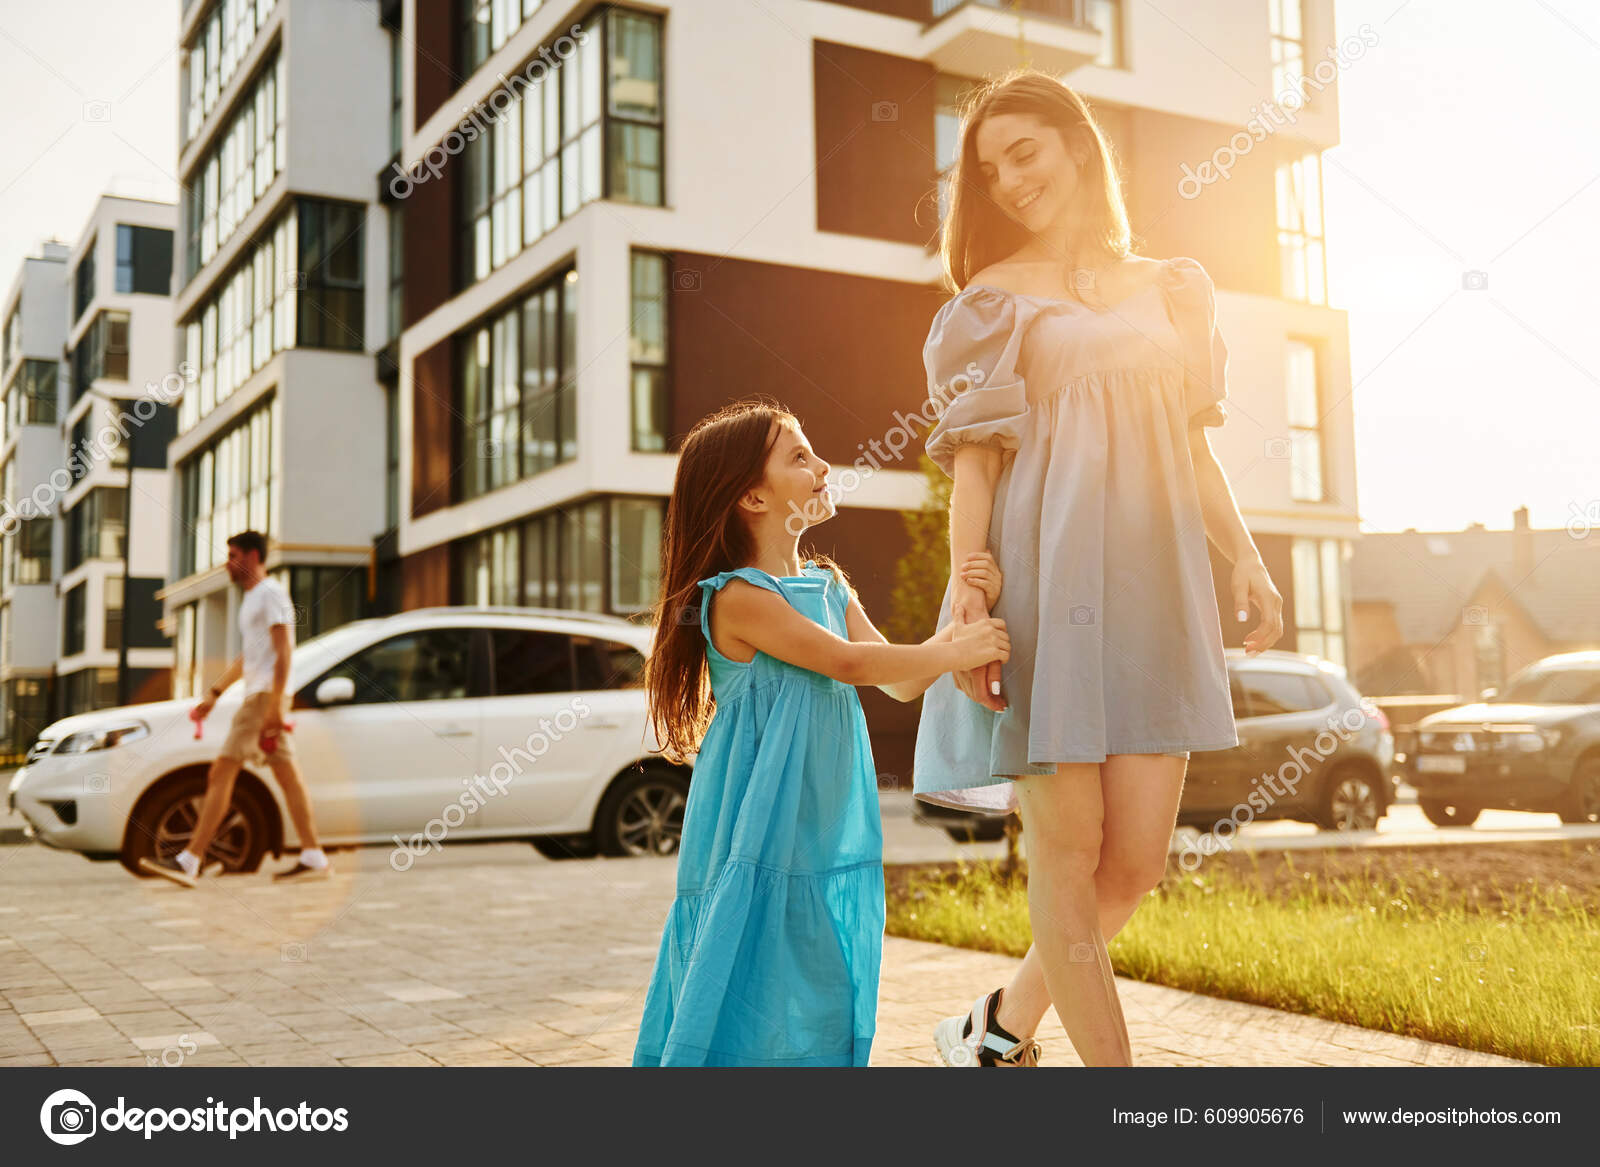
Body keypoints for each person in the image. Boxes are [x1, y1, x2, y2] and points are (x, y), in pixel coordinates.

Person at [913, 70, 1286, 1067]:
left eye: (1024, 151)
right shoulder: (989, 305)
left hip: (1157, 590)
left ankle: (990, 1026)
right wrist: (970, 592)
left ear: (1077, 144)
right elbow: (979, 467)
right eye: (989, 170)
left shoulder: (1174, 287)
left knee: (1136, 861)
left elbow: (1191, 445)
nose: (1009, 180)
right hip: (1046, 590)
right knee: (1069, 859)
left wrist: (1242, 555)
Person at [632, 400, 1011, 1067]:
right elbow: (849, 663)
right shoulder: (738, 597)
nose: (823, 466)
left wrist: (966, 614)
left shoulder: (828, 585)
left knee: (821, 963)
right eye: (799, 457)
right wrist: (956, 650)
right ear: (753, 493)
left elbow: (900, 677)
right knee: (745, 952)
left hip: (823, 816)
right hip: (756, 817)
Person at [140, 531, 332, 886]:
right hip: (258, 696)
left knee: (222, 771)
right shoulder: (252, 600)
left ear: (254, 557)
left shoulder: (270, 594)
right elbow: (250, 657)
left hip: (263, 698)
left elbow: (284, 650)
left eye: (233, 555)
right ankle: (313, 855)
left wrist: (276, 705)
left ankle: (190, 859)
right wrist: (214, 694)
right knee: (288, 777)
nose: (227, 563)